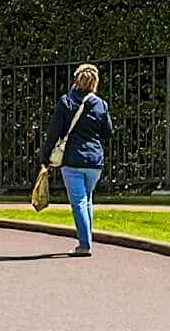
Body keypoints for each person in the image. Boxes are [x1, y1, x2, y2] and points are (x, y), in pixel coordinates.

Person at [37, 63, 112, 257]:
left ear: (76, 79)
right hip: (94, 161)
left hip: (71, 160)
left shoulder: (66, 102)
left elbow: (54, 132)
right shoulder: (101, 104)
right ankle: (86, 240)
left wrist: (45, 156)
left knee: (79, 201)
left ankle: (84, 244)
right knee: (87, 200)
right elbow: (108, 132)